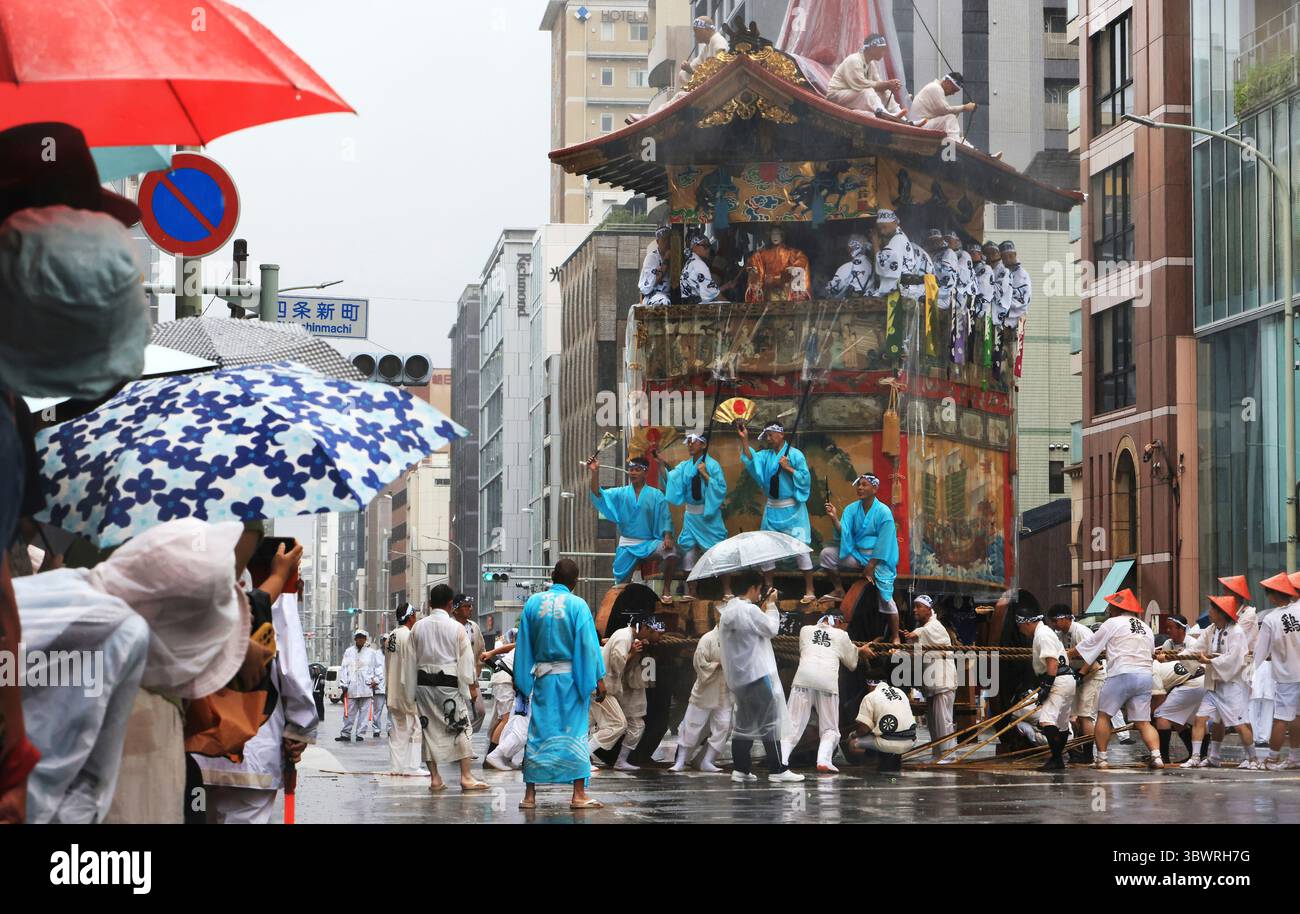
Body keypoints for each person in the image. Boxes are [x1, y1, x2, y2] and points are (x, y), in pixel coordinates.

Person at [513, 559, 606, 810]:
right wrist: (597, 679)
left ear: (552, 576)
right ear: (575, 581)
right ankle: (577, 794)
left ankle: (530, 796)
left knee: (538, 733)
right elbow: (588, 646)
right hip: (571, 681)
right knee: (574, 733)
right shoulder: (578, 605)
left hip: (543, 679)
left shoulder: (533, 603)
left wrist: (522, 681)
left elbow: (523, 645)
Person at [717, 569, 803, 783]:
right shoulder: (750, 611)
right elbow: (772, 628)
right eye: (759, 590)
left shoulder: (729, 611)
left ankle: (741, 769)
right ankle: (778, 769)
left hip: (738, 678)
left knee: (744, 724)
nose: (760, 594)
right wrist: (772, 605)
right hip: (756, 674)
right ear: (753, 588)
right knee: (770, 721)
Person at [1067, 589, 1163, 769]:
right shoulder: (1146, 627)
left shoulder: (1112, 623)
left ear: (1117, 607)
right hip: (1144, 675)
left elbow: (1090, 645)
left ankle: (1102, 759)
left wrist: (1067, 653)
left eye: (1111, 606)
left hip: (1121, 673)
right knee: (1143, 722)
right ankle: (1157, 757)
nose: (1109, 609)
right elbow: (1151, 653)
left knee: (1104, 716)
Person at [409, 584, 488, 792]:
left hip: (423, 683)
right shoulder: (457, 628)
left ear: (431, 603)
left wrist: (410, 689)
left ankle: (435, 778)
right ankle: (466, 776)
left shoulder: (418, 626)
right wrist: (470, 687)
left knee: (428, 728)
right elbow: (466, 659)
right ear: (450, 604)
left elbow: (410, 659)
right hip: (448, 684)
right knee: (462, 726)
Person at [738, 423, 816, 603]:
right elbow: (752, 460)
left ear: (781, 435)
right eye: (767, 435)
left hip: (793, 510)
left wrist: (788, 468)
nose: (768, 438)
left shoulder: (795, 455)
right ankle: (769, 587)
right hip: (772, 509)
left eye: (771, 434)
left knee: (801, 549)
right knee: (766, 548)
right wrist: (744, 439)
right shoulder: (765, 456)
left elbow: (805, 478)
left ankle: (810, 589)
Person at [821, 473, 901, 638]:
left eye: (864, 484)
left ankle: (895, 636)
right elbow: (845, 534)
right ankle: (838, 589)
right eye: (858, 484)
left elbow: (885, 542)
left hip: (879, 561)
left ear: (875, 488)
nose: (860, 488)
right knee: (826, 555)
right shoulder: (851, 509)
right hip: (857, 555)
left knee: (886, 599)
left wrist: (871, 566)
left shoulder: (884, 512)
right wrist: (834, 518)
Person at [1182, 594, 1257, 769]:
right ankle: (1199, 757)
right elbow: (1196, 649)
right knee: (1201, 718)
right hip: (1214, 683)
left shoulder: (1236, 632)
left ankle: (1253, 759)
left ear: (1221, 613)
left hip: (1232, 684)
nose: (1209, 612)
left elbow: (1234, 659)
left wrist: (1210, 661)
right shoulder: (1211, 630)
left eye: (1212, 609)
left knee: (1239, 724)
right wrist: (1173, 656)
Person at [783, 612, 864, 772]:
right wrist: (859, 650)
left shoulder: (805, 630)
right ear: (838, 622)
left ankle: (782, 761)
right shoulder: (841, 635)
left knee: (792, 724)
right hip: (827, 682)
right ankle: (823, 760)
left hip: (803, 680)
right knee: (829, 727)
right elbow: (852, 663)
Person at [588, 455, 676, 596]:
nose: (633, 473)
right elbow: (597, 493)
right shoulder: (621, 493)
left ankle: (666, 590)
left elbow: (666, 516)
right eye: (631, 469)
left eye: (637, 469)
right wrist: (595, 472)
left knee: (671, 553)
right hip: (627, 544)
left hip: (649, 543)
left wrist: (667, 536)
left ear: (646, 472)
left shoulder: (656, 495)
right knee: (621, 589)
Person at [663, 432, 729, 598]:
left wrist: (705, 474)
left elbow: (720, 489)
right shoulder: (685, 466)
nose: (690, 444)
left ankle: (727, 590)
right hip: (691, 517)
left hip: (709, 517)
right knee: (689, 551)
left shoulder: (712, 465)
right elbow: (671, 478)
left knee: (718, 552)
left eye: (694, 442)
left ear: (703, 445)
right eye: (689, 442)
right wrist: (660, 462)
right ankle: (691, 590)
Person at [595, 616, 664, 771]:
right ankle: (583, 758)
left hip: (610, 688)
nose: (656, 636)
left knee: (623, 724)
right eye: (654, 632)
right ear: (645, 628)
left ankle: (615, 760)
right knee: (617, 724)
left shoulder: (628, 637)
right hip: (605, 687)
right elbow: (616, 664)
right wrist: (632, 653)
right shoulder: (624, 637)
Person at [1016, 603, 1077, 771]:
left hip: (1058, 679)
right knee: (1062, 723)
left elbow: (1052, 661)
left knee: (1046, 721)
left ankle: (1056, 759)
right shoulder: (1044, 633)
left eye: (1020, 626)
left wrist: (1047, 686)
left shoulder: (1042, 635)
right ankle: (1058, 759)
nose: (1021, 630)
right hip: (1066, 679)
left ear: (1027, 622)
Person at [1251, 573, 1300, 770]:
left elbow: (1259, 653)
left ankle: (1272, 759)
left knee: (1281, 718)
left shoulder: (1271, 619)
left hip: (1287, 675)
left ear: (1273, 596)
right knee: (1297, 716)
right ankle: (1295, 757)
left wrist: (1247, 674)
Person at [670, 620, 731, 773]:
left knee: (724, 725)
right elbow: (700, 663)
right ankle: (680, 761)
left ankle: (707, 760)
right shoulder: (708, 639)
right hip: (705, 690)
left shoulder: (733, 640)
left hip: (725, 691)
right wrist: (717, 665)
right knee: (691, 725)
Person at [1048, 604, 1106, 763]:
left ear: (1066, 618)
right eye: (1051, 621)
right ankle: (1078, 750)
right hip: (1076, 676)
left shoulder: (1081, 631)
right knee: (1074, 717)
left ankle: (1088, 755)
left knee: (1085, 716)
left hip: (1092, 674)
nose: (1054, 624)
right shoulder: (1059, 634)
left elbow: (1093, 653)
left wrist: (1081, 673)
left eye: (1055, 620)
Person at [904, 595, 957, 762]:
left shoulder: (934, 626)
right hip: (933, 682)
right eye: (914, 606)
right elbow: (918, 653)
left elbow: (924, 634)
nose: (914, 610)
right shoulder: (927, 627)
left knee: (943, 720)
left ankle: (949, 755)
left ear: (928, 609)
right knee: (934, 722)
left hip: (943, 681)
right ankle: (938, 753)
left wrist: (915, 635)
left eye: (919, 606)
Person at [826, 34, 912, 123]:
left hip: (852, 95)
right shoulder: (854, 60)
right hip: (836, 96)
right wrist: (886, 84)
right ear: (872, 48)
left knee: (885, 91)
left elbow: (879, 84)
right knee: (867, 91)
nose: (883, 52)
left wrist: (889, 85)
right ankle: (885, 114)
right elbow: (860, 84)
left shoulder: (870, 64)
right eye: (881, 49)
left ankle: (903, 120)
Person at [383, 603, 424, 775]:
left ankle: (396, 767)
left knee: (398, 730)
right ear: (411, 616)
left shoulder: (391, 636)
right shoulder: (409, 636)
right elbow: (411, 665)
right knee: (415, 727)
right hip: (406, 690)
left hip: (392, 691)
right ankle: (412, 767)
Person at [852, 680, 917, 773]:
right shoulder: (900, 692)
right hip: (910, 741)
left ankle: (873, 762)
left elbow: (864, 729)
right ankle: (889, 758)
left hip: (886, 743)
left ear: (870, 686)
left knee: (854, 744)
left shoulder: (870, 696)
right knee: (885, 733)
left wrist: (853, 735)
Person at [337, 629, 381, 742]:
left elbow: (379, 668)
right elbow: (344, 669)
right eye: (358, 637)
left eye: (362, 637)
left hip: (366, 687)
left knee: (364, 714)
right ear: (355, 639)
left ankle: (360, 734)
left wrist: (376, 680)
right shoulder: (349, 652)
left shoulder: (372, 653)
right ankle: (345, 734)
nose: (360, 639)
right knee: (349, 713)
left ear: (365, 639)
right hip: (352, 686)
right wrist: (344, 684)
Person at [910, 72, 977, 146]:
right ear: (947, 82)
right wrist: (964, 107)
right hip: (920, 124)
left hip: (924, 123)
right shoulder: (935, 88)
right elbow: (945, 110)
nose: (953, 93)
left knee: (954, 129)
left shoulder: (935, 87)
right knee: (950, 119)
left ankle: (969, 148)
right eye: (953, 90)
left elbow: (944, 112)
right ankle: (957, 147)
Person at [870, 209, 923, 301]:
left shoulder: (897, 240)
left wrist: (875, 243)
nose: (881, 232)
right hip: (906, 289)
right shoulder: (901, 237)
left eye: (884, 227)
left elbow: (885, 266)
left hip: (901, 292)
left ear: (894, 222)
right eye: (880, 228)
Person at [452, 593, 486, 731]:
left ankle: (465, 735)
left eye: (470, 606)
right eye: (466, 606)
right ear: (456, 609)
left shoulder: (474, 627)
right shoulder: (450, 626)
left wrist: (477, 670)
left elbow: (481, 650)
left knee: (480, 711)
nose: (470, 609)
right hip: (453, 678)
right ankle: (461, 740)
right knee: (456, 713)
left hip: (472, 678)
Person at [680, 16, 728, 82]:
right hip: (709, 81)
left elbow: (721, 65)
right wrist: (688, 68)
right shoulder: (706, 48)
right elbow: (695, 65)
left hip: (720, 82)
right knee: (682, 74)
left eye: (697, 31)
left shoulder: (718, 40)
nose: (695, 35)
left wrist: (692, 71)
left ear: (707, 30)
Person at [825, 234, 874, 298]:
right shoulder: (871, 264)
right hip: (869, 302)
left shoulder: (848, 267)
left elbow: (833, 289)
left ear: (851, 247)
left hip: (852, 304)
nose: (847, 250)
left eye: (848, 247)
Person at [680, 231, 722, 304]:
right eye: (705, 246)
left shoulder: (690, 261)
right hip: (696, 306)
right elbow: (712, 294)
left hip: (687, 304)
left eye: (709, 246)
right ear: (695, 247)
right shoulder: (699, 264)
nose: (708, 249)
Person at [639, 226, 672, 305]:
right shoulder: (652, 257)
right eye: (664, 240)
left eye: (669, 240)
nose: (667, 243)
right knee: (664, 301)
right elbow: (655, 280)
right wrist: (666, 260)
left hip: (669, 294)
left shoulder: (675, 255)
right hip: (653, 296)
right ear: (658, 241)